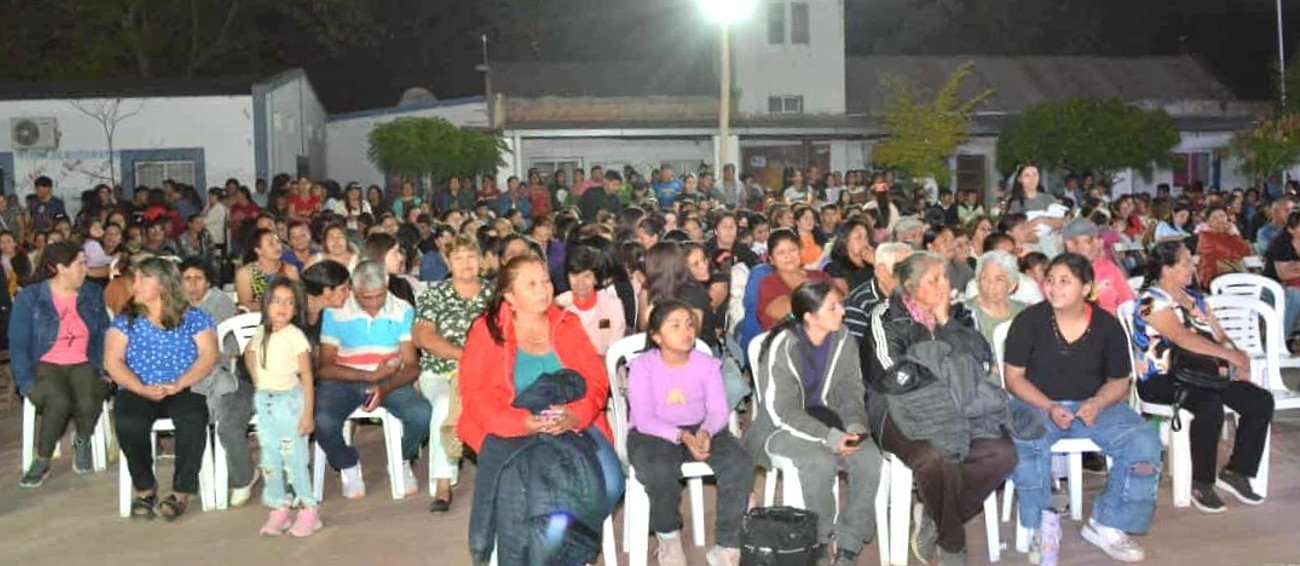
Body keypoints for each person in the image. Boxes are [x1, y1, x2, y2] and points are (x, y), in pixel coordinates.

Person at [457, 255, 623, 563]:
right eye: (531, 284)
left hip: (573, 425)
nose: (544, 290)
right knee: (535, 495)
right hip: (511, 430)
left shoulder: (566, 322)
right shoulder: (487, 330)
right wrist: (525, 422)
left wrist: (576, 414)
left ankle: (561, 554)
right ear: (510, 296)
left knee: (611, 484)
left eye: (545, 280)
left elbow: (596, 382)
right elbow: (475, 396)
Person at [862, 252, 1018, 566]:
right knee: (935, 458)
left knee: (1003, 454)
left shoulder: (959, 314)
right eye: (935, 280)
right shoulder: (886, 316)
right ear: (909, 286)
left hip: (960, 409)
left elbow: (982, 360)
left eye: (945, 277)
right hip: (898, 412)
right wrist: (947, 383)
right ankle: (952, 546)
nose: (945, 285)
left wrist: (945, 322)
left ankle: (937, 515)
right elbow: (890, 373)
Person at [1005, 253, 1162, 563]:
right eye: (1049, 280)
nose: (1054, 288)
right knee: (1026, 441)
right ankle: (1040, 524)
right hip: (1037, 403)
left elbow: (1119, 381)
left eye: (1065, 281)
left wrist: (1097, 403)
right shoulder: (1029, 321)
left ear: (1087, 287)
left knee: (1144, 443)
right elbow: (1014, 378)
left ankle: (1108, 522)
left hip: (1095, 404)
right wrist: (1048, 406)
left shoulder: (1107, 325)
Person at [746, 281, 881, 565]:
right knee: (819, 461)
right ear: (809, 316)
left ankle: (849, 543)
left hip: (829, 420)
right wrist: (831, 437)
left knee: (868, 457)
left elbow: (850, 391)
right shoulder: (783, 345)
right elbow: (782, 411)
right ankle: (819, 542)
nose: (842, 311)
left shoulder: (842, 338)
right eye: (833, 307)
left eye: (840, 304)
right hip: (780, 429)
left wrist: (855, 425)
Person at [1133, 241, 1273, 512]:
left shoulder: (1194, 298)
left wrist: (1237, 359)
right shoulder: (1149, 302)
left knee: (1259, 400)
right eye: (1185, 262)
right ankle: (1201, 482)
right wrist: (1230, 357)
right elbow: (1181, 337)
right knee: (1208, 405)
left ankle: (1237, 472)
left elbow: (1219, 336)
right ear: (1167, 268)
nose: (1192, 265)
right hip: (1162, 378)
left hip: (1203, 372)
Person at [628, 301, 752, 566]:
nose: (686, 331)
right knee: (658, 470)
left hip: (700, 426)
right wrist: (682, 436)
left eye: (689, 324)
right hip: (653, 432)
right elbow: (644, 418)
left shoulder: (707, 364)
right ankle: (668, 537)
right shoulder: (642, 366)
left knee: (739, 463)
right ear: (657, 336)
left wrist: (706, 432)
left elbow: (718, 411)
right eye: (675, 326)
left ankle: (727, 544)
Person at [106, 257, 219, 520]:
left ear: (163, 284)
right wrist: (140, 387)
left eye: (142, 279)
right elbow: (112, 361)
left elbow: (208, 354)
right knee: (128, 422)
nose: (135, 284)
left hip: (183, 385)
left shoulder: (192, 317)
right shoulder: (127, 319)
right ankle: (145, 488)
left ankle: (182, 490)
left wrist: (180, 382)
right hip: (138, 387)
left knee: (193, 418)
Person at [315, 260, 431, 500]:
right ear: (353, 290)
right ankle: (347, 464)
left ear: (387, 285)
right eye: (365, 298)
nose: (373, 304)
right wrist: (368, 376)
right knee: (322, 421)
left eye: (379, 296)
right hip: (344, 378)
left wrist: (383, 385)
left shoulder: (402, 309)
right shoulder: (335, 310)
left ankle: (402, 458)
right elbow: (324, 368)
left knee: (422, 414)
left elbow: (411, 367)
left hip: (390, 379)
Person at [13, 242, 111, 487]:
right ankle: (43, 458)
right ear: (60, 268)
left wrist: (106, 369)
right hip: (45, 363)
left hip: (84, 360)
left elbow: (102, 334)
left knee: (90, 395)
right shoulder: (31, 298)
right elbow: (18, 344)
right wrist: (25, 382)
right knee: (59, 399)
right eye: (79, 264)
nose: (84, 269)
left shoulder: (90, 293)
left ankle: (83, 439)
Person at [412, 235, 490, 513]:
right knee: (446, 404)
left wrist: (479, 361)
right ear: (448, 262)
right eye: (458, 257)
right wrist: (463, 356)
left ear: (481, 260)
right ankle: (443, 483)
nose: (466, 263)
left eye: (471, 256)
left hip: (485, 372)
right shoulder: (435, 294)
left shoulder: (494, 294)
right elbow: (422, 336)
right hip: (441, 372)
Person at [245, 277, 321, 537]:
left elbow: (307, 377)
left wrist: (307, 413)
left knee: (294, 459)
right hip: (266, 405)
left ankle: (308, 508)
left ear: (297, 309)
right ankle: (279, 507)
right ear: (266, 304)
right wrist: (258, 381)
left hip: (289, 405)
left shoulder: (295, 336)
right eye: (277, 300)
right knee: (270, 459)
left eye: (289, 302)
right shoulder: (260, 333)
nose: (282, 307)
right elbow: (250, 353)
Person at [555, 245, 626, 355]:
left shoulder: (612, 305)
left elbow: (614, 350)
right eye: (574, 276)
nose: (580, 283)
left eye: (586, 276)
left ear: (596, 279)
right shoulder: (561, 306)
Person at [757, 229, 835, 329]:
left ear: (800, 251)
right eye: (781, 253)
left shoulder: (820, 276)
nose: (788, 256)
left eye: (793, 250)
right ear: (772, 259)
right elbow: (780, 311)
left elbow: (837, 302)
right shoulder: (768, 283)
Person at [843, 242, 911, 340]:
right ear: (882, 270)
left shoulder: (916, 294)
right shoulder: (859, 304)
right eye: (903, 268)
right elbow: (856, 349)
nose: (910, 276)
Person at [964, 249, 1026, 348]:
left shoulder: (1023, 312)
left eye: (999, 279)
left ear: (1012, 285)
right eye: (984, 278)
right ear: (977, 281)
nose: (990, 285)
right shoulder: (965, 314)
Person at [235, 229, 299, 312]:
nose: (277, 246)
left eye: (278, 242)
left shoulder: (290, 270)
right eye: (271, 244)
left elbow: (298, 300)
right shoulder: (245, 273)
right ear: (258, 250)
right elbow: (246, 305)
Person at [1196, 204, 1253, 287]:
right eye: (1214, 218)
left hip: (1233, 272)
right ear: (1208, 222)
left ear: (1227, 217)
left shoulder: (1230, 233)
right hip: (1212, 276)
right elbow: (1225, 253)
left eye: (1222, 216)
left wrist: (1235, 235)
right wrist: (1235, 254)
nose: (1219, 220)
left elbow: (1246, 252)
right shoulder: (1205, 235)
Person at [300, 260, 352, 344]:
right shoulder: (292, 310)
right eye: (343, 289)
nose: (348, 294)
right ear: (327, 291)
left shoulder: (327, 312)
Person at [365, 232, 417, 308]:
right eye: (395, 253)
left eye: (399, 252)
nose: (400, 258)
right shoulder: (362, 287)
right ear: (380, 255)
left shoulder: (402, 285)